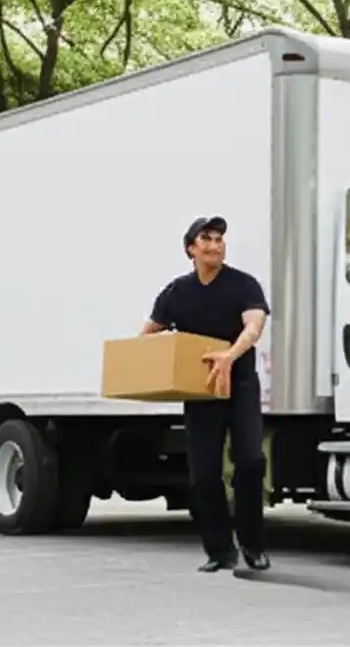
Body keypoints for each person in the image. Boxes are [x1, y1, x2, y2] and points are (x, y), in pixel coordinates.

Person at [142, 216, 271, 573]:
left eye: (219, 239)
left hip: (239, 387)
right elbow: (147, 336)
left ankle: (253, 545)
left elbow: (254, 326)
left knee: (250, 462)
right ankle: (219, 551)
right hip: (200, 393)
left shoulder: (243, 285)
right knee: (203, 474)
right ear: (191, 249)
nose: (215, 245)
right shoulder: (177, 293)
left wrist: (230, 355)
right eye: (207, 239)